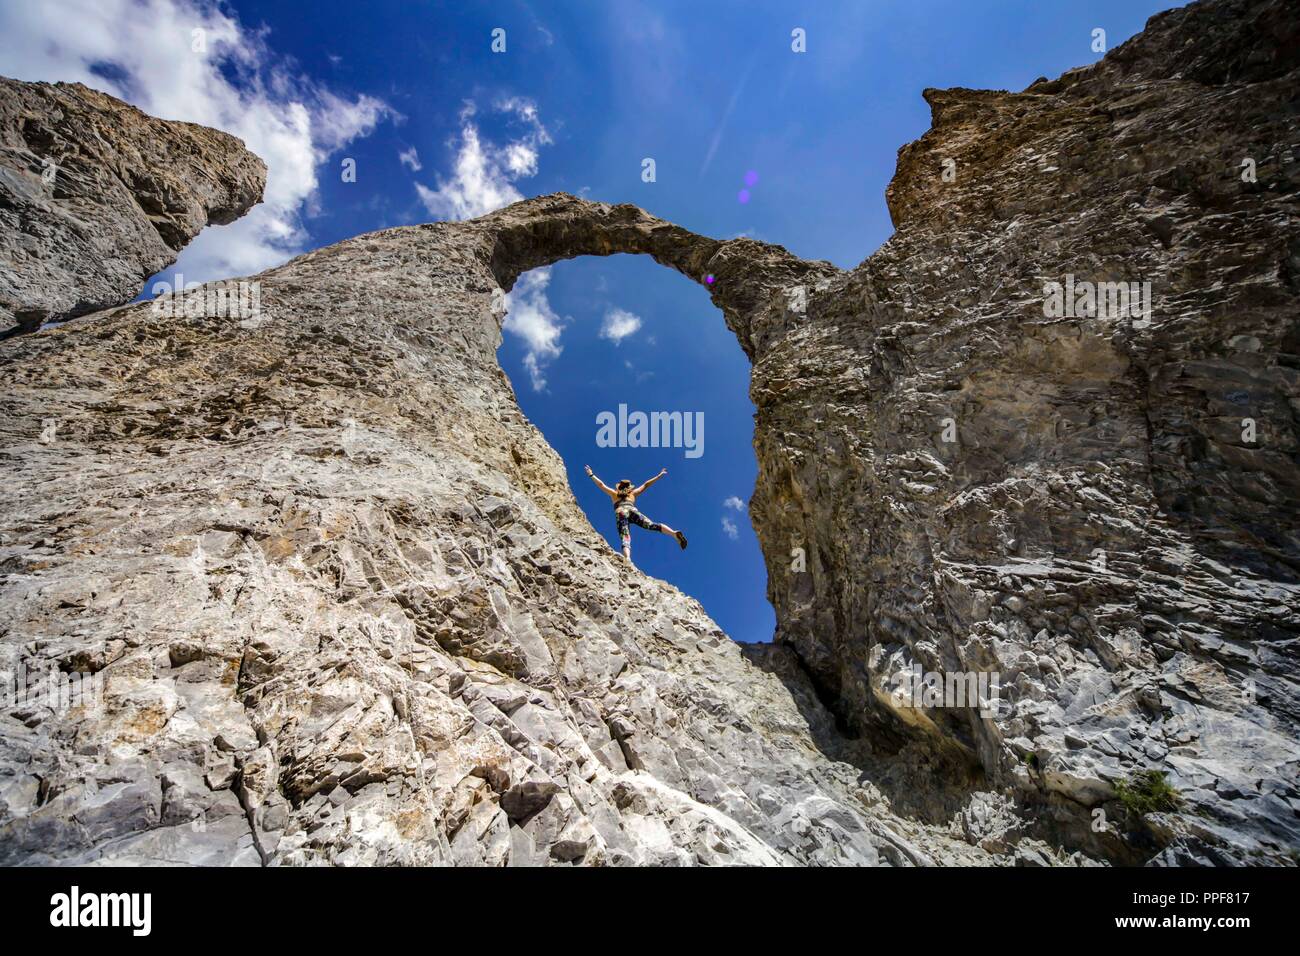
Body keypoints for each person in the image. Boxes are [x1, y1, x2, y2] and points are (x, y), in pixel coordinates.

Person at [584, 464, 687, 562]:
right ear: (629, 488)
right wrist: (658, 476)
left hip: (621, 512)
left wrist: (591, 474)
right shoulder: (633, 494)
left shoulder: (614, 494)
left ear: (618, 487)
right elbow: (646, 484)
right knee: (651, 525)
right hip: (633, 510)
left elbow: (601, 485)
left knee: (625, 536)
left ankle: (628, 559)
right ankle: (673, 533)